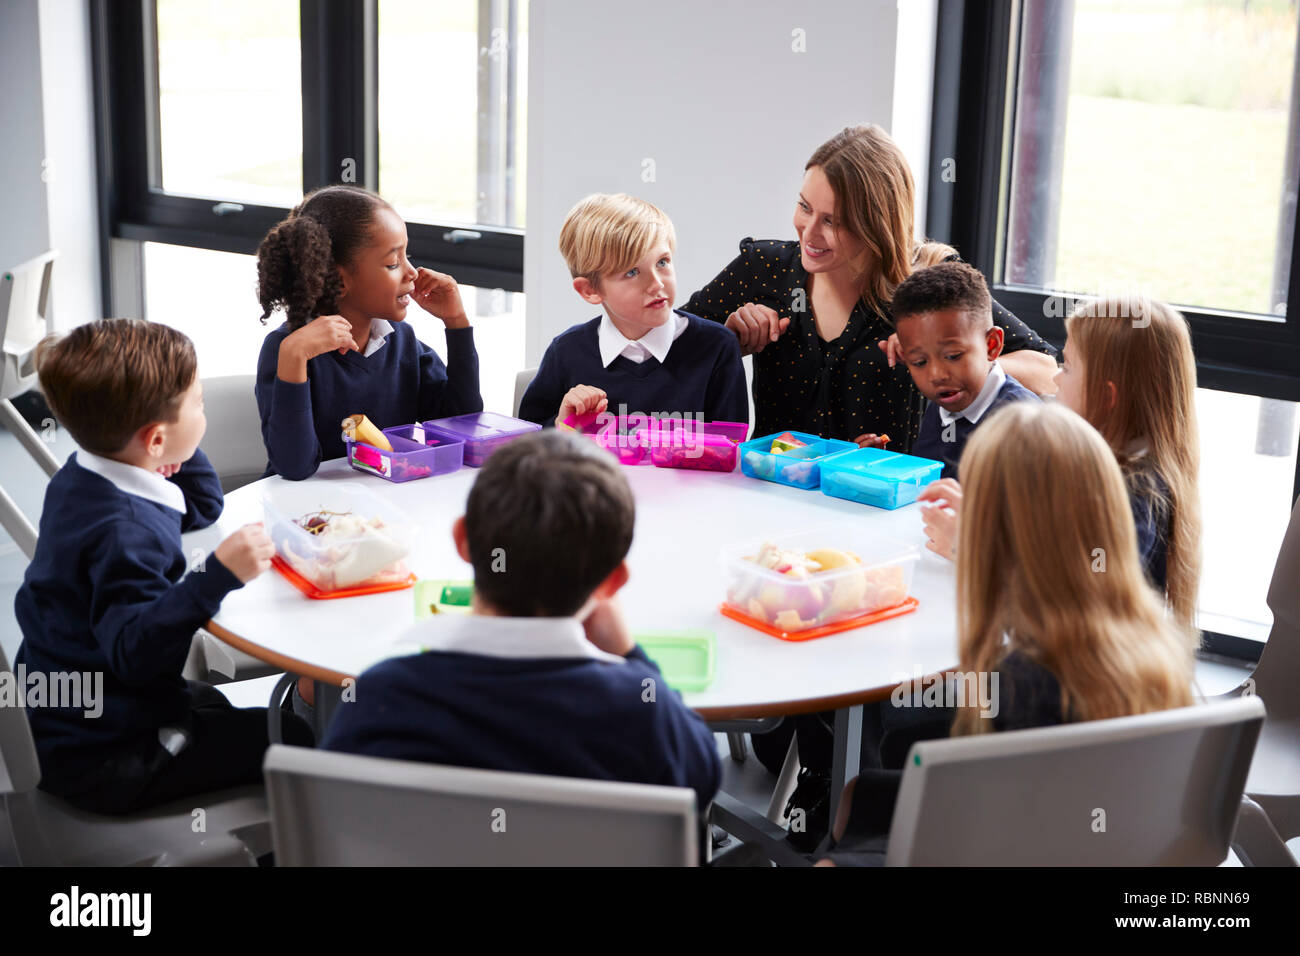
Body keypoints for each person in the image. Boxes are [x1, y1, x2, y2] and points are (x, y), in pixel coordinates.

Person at [822, 401, 1198, 865]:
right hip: (1085, 836)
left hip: (997, 838)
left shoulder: (1027, 685)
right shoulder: (1151, 641)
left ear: (1000, 533)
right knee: (866, 794)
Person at [321, 429, 722, 813]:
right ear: (612, 583)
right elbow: (702, 779)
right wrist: (632, 657)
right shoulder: (645, 716)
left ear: (462, 540)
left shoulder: (382, 698)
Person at [14, 319, 313, 815]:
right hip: (106, 757)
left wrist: (178, 450)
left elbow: (199, 505)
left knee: (217, 707)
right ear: (153, 439)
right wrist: (216, 574)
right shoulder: (123, 531)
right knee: (295, 736)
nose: (205, 410)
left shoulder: (86, 474)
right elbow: (138, 653)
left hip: (62, 714)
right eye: (197, 403)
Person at [682, 124, 1057, 448]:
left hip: (887, 507)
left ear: (878, 224)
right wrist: (726, 340)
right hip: (771, 493)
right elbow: (668, 348)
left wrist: (936, 356)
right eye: (805, 207)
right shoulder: (763, 268)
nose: (808, 233)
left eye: (833, 221)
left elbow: (1044, 369)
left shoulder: (929, 284)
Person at [920, 295, 1201, 627]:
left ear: (1105, 395)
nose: (1055, 380)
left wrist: (973, 549)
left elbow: (1077, 611)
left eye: (1066, 367)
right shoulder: (1094, 467)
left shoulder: (1132, 494)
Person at [255, 184, 483, 480]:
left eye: (406, 255)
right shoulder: (287, 349)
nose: (411, 272)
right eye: (392, 262)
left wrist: (457, 323)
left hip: (383, 511)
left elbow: (461, 426)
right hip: (311, 515)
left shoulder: (402, 341)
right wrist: (293, 357)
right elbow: (294, 467)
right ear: (338, 280)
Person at [518, 193, 748, 429]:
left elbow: (730, 448)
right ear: (589, 290)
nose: (657, 283)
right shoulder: (566, 352)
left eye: (662, 262)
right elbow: (527, 445)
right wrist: (562, 424)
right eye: (632, 272)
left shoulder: (717, 347)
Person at [895, 261, 1039, 479]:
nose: (936, 375)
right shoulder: (945, 402)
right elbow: (931, 483)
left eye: (953, 356)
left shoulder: (1024, 426)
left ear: (992, 345)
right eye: (919, 362)